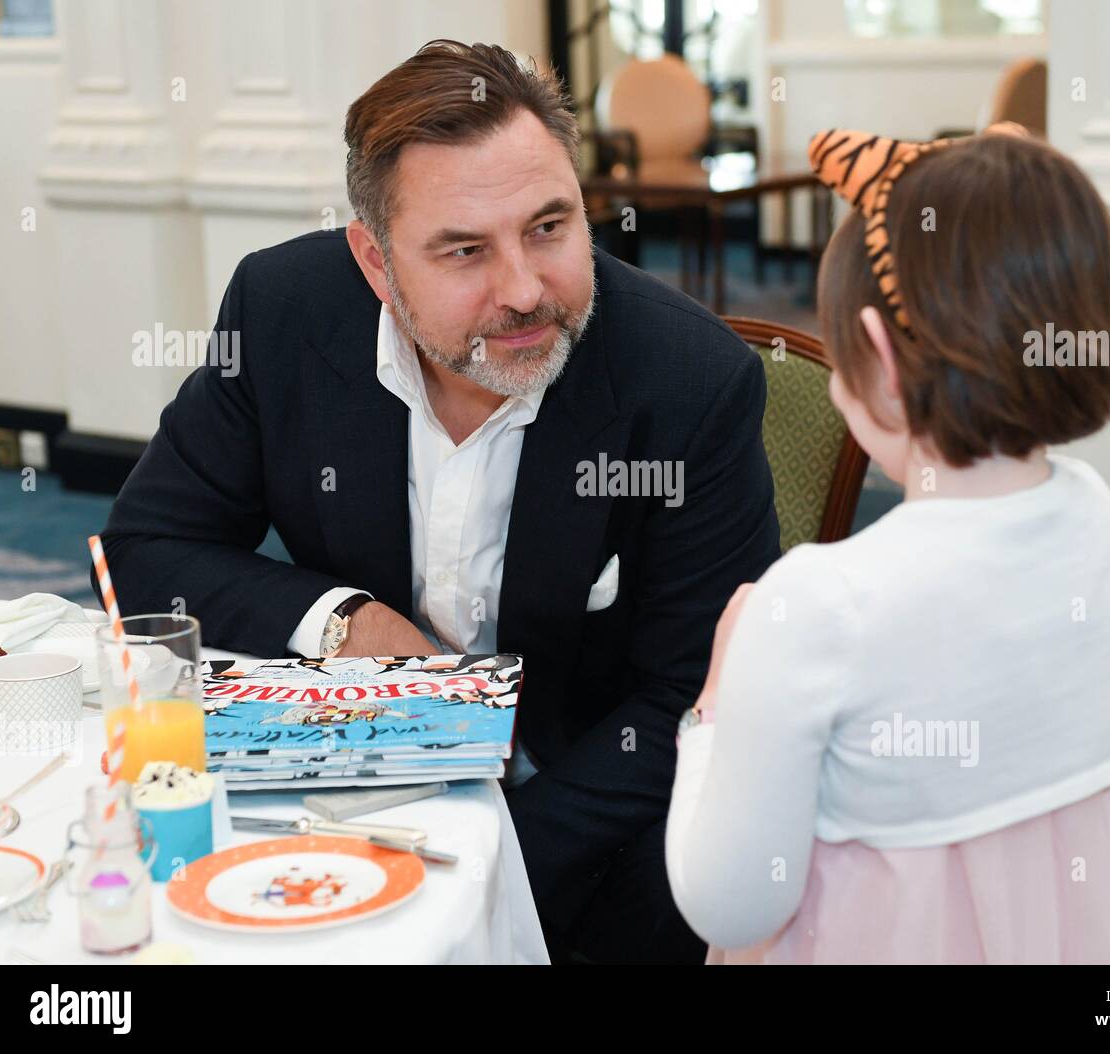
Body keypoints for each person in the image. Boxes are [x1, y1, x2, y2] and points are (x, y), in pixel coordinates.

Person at [94, 40, 780, 963]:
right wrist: (344, 622)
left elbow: (697, 701)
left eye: (550, 227)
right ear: (376, 264)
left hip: (587, 820)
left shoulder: (691, 384)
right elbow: (147, 547)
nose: (526, 290)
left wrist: (479, 878)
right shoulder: (284, 309)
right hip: (338, 776)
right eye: (465, 251)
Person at [664, 124, 1110, 964]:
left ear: (877, 355)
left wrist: (713, 707)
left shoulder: (812, 605)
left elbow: (727, 907)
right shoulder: (1095, 516)